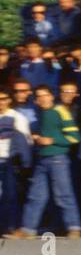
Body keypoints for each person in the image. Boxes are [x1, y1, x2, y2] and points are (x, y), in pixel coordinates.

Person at [8, 84, 81, 239]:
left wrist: (52, 140)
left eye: (45, 95)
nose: (42, 98)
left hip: (58, 159)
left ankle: (74, 227)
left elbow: (74, 137)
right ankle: (28, 229)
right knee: (36, 195)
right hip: (42, 159)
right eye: (39, 96)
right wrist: (36, 137)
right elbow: (43, 133)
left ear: (51, 96)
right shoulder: (40, 113)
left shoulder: (61, 111)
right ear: (35, 100)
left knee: (64, 194)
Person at [0, 89, 33, 235]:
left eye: (3, 98)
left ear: (9, 100)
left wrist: (24, 162)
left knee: (10, 194)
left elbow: (27, 140)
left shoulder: (17, 117)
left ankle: (11, 226)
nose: (1, 102)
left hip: (10, 161)